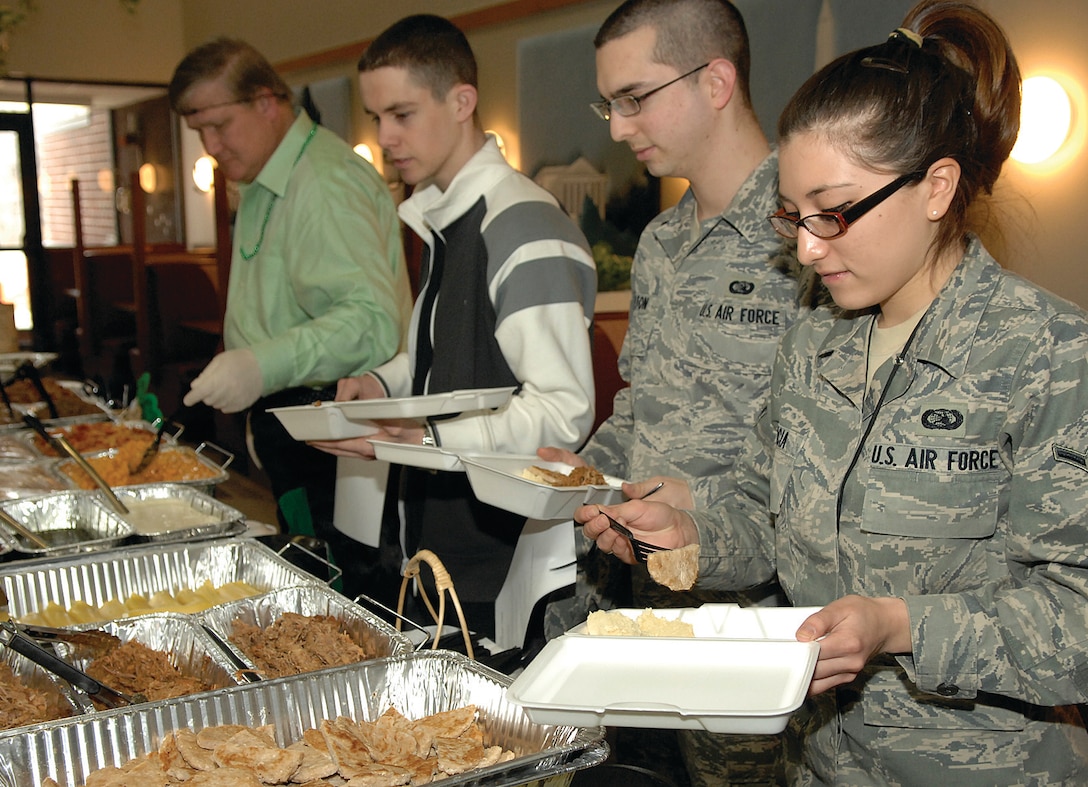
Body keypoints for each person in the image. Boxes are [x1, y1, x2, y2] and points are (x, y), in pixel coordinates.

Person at [580, 1, 1088, 783]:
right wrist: (689, 535)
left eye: (836, 213)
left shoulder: (1045, 353)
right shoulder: (816, 337)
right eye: (794, 216)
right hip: (819, 762)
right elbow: (763, 510)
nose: (810, 249)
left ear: (936, 187)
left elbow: (1077, 617)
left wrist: (901, 625)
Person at [540, 1, 820, 782]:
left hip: (754, 616)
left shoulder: (806, 237)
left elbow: (825, 443)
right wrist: (576, 470)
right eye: (610, 105)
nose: (620, 127)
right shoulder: (662, 242)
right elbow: (643, 402)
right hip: (643, 596)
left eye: (635, 97)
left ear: (717, 80)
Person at [309, 15, 597, 640]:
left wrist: (425, 438)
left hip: (499, 558)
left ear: (461, 101)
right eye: (375, 117)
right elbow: (439, 358)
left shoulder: (521, 222)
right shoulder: (445, 216)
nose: (385, 136)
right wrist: (379, 386)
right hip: (439, 544)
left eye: (402, 114)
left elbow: (563, 412)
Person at [168, 38, 413, 585]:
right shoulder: (262, 178)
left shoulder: (323, 181)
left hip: (336, 428)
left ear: (266, 102)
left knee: (353, 595)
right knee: (311, 578)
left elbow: (371, 324)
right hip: (297, 427)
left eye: (218, 125)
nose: (210, 145)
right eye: (197, 131)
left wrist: (260, 364)